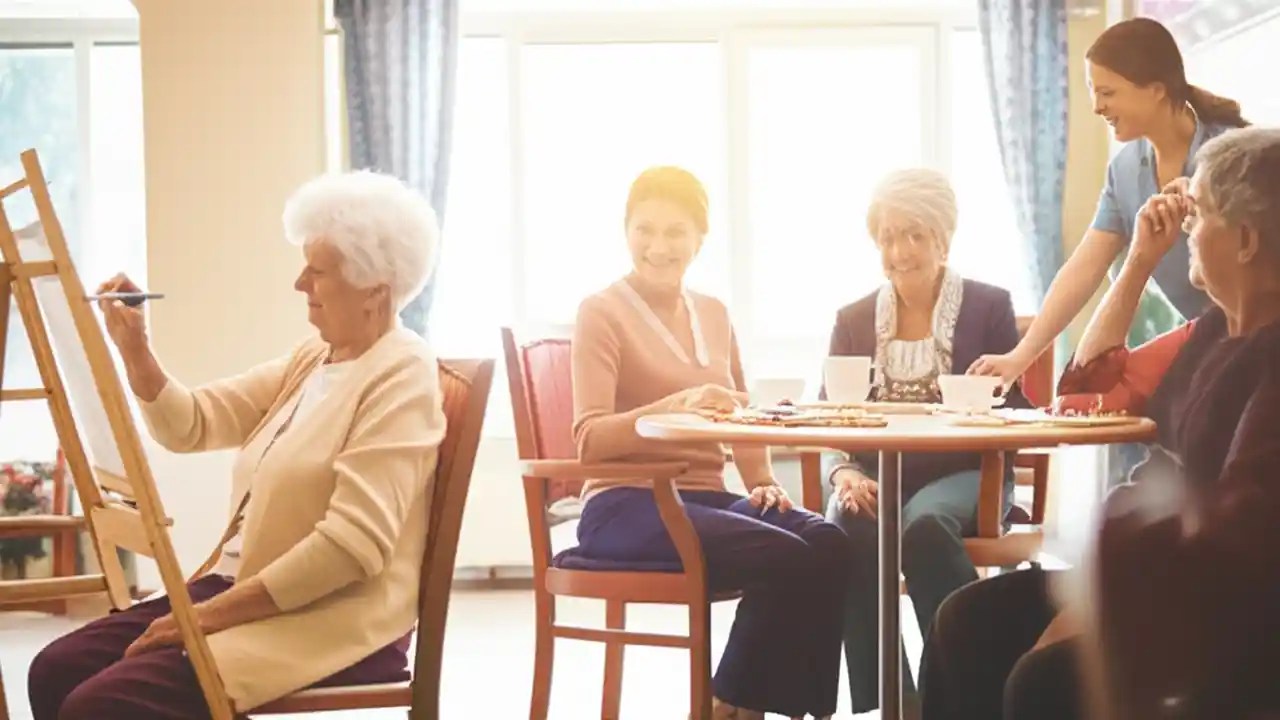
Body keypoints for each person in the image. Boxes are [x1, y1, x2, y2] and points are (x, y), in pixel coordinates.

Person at [27, 170, 445, 720]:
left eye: (316, 271)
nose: (300, 284)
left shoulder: (403, 375)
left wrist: (207, 617)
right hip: (241, 592)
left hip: (323, 621)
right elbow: (192, 424)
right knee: (54, 669)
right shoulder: (315, 359)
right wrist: (136, 351)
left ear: (374, 291)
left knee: (99, 707)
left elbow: (350, 547)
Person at [919, 126, 1280, 720]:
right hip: (1158, 574)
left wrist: (1109, 597)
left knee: (1042, 682)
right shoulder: (1215, 330)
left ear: (1244, 240)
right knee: (965, 620)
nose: (1189, 226)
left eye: (1203, 212)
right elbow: (1085, 388)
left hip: (1224, 605)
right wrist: (1138, 257)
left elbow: (1242, 532)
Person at [564, 166, 849, 720]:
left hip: (705, 500)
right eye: (644, 229)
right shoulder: (600, 312)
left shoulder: (714, 313)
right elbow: (589, 439)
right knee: (785, 555)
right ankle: (727, 707)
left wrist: (763, 482)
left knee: (830, 542)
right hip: (625, 503)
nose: (658, 246)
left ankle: (773, 708)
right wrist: (673, 405)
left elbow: (740, 413)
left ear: (700, 239)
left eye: (675, 232)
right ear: (626, 232)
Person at [821, 168, 1028, 716]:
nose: (900, 249)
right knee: (846, 527)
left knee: (923, 526)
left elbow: (1021, 411)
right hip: (873, 473)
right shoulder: (853, 318)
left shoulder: (989, 307)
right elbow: (825, 416)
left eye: (914, 234)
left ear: (943, 238)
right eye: (888, 236)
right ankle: (894, 704)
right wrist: (843, 473)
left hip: (967, 474)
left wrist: (988, 398)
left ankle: (969, 693)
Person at [969, 16, 1249, 385]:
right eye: (1093, 92)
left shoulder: (1235, 155)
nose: (1096, 107)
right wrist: (1020, 356)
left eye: (1108, 92)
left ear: (1155, 89)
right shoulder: (1126, 169)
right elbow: (1084, 268)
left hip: (1256, 347)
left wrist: (1208, 200)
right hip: (1208, 347)